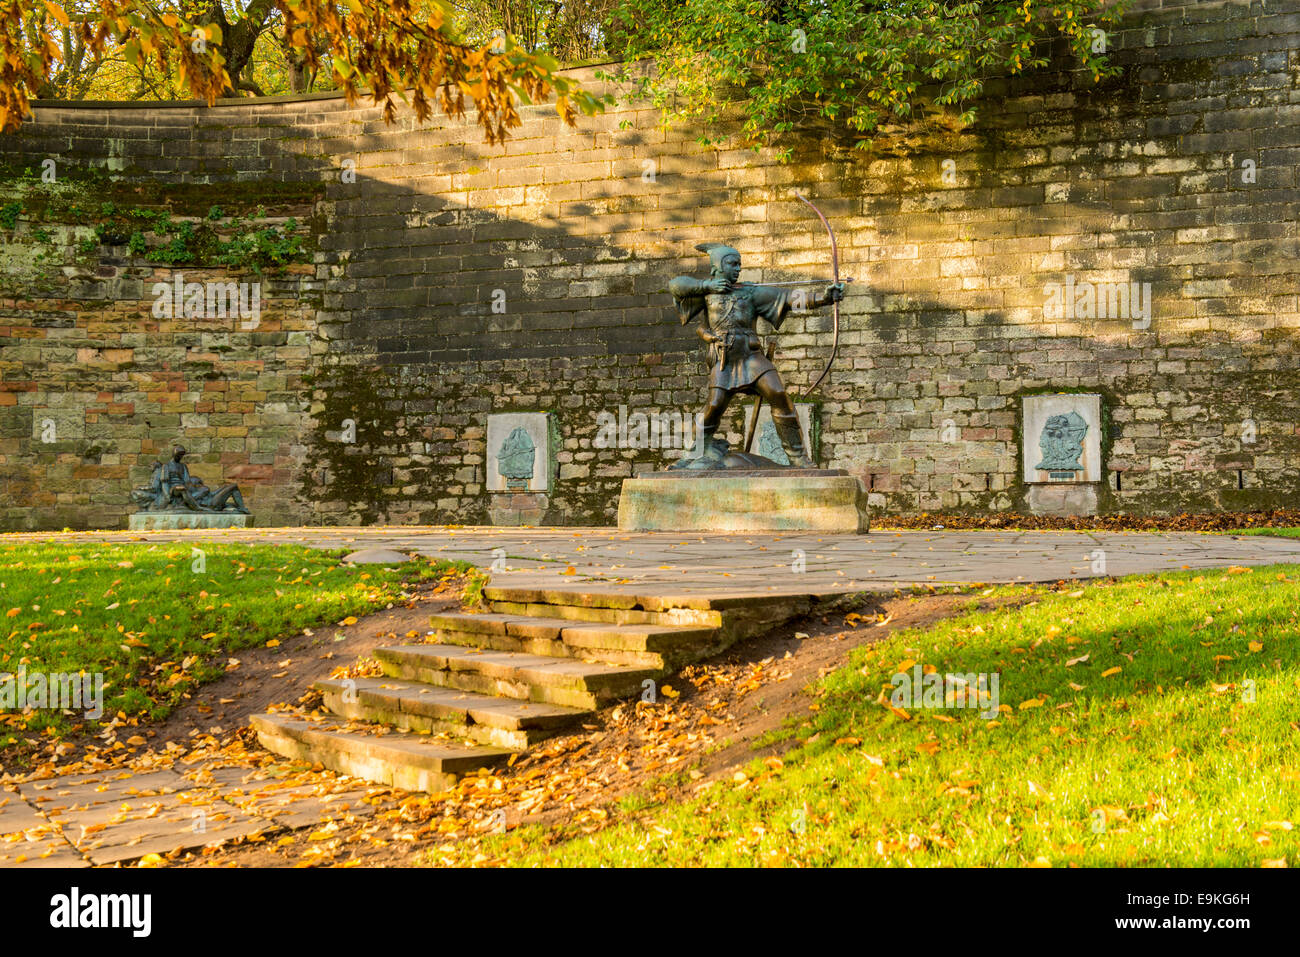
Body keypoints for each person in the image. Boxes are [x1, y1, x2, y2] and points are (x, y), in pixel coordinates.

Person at [669, 242, 844, 467]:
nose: (737, 268)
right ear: (718, 267)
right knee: (713, 407)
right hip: (724, 359)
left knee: (778, 393)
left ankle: (798, 458)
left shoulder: (750, 292)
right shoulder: (705, 293)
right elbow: (675, 285)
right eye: (732, 263)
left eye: (739, 264)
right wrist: (707, 285)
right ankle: (693, 456)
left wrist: (824, 299)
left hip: (751, 356)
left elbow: (788, 299)